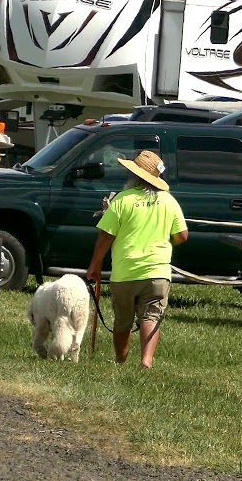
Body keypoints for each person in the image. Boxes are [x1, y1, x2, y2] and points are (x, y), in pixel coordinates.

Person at [86, 150, 188, 369]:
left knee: (123, 320)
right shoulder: (169, 201)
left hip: (125, 272)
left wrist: (94, 266)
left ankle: (120, 361)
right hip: (158, 272)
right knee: (151, 316)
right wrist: (166, 242)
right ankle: (146, 361)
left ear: (134, 176)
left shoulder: (122, 200)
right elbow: (182, 236)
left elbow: (106, 236)